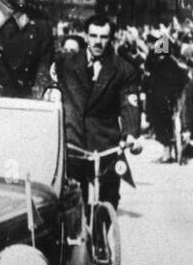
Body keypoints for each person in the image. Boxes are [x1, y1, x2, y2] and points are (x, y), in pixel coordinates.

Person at [55, 15, 142, 212]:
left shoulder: (123, 69)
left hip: (105, 141)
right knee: (75, 198)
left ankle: (101, 235)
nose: (97, 41)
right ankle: (79, 239)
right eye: (93, 35)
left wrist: (130, 133)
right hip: (74, 140)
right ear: (85, 36)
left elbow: (129, 103)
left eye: (103, 37)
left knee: (110, 195)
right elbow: (47, 79)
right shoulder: (67, 64)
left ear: (110, 38)